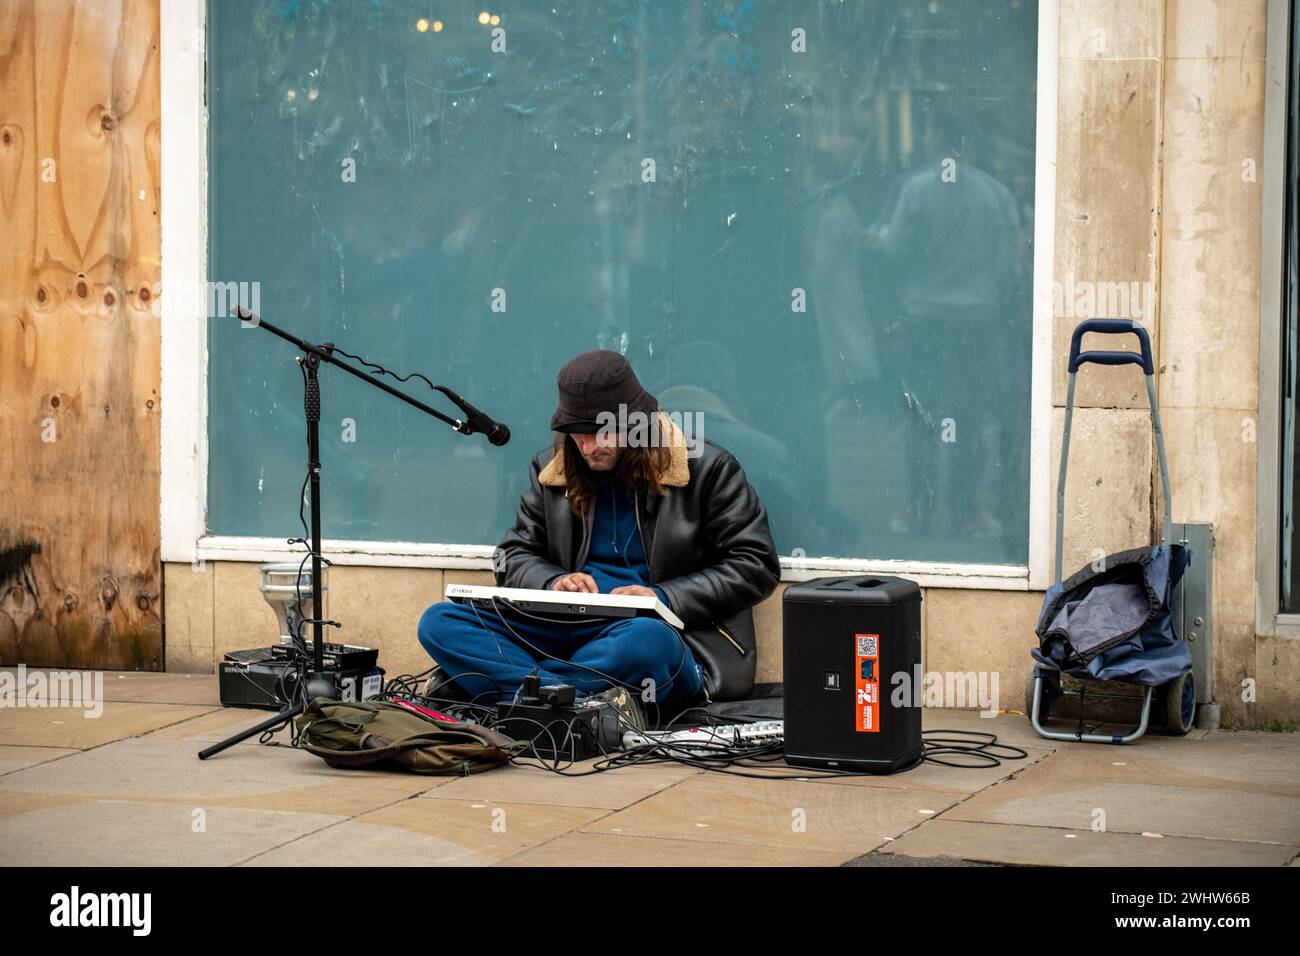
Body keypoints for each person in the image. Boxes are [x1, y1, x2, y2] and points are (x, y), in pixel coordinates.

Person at [417, 349, 781, 714]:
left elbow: (756, 564)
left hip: (665, 634)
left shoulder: (707, 468)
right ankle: (563, 702)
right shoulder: (551, 469)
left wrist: (663, 598)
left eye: (602, 434)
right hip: (565, 628)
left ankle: (524, 694)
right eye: (578, 435)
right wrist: (552, 582)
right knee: (439, 621)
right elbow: (513, 554)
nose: (589, 447)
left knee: (647, 642)